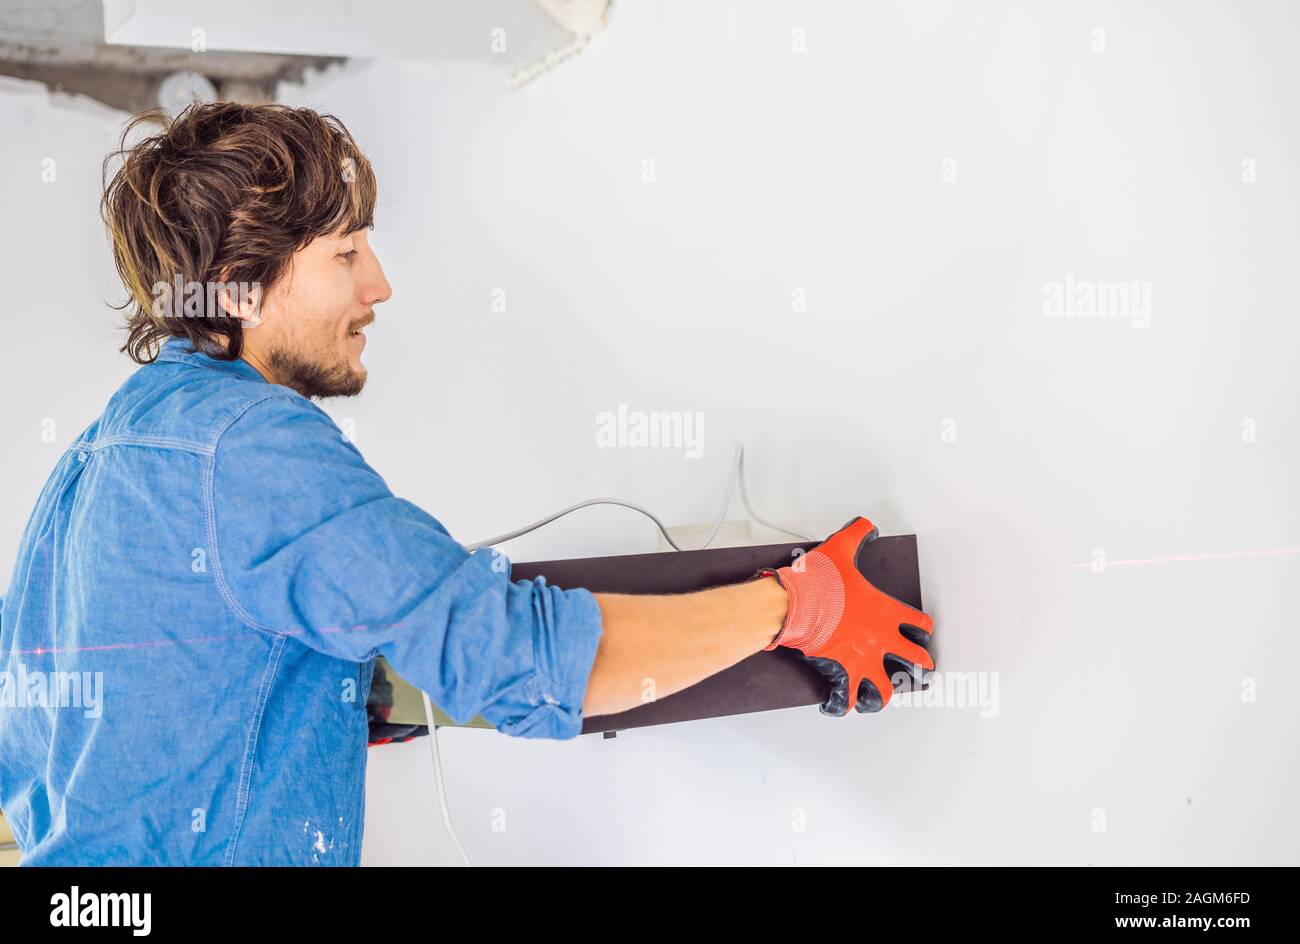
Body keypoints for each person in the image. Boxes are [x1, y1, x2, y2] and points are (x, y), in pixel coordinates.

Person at [0, 103, 933, 865]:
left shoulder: (92, 461)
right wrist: (798, 606)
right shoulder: (248, 447)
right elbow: (525, 662)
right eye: (344, 254)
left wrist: (312, 699)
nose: (380, 285)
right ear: (242, 287)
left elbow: (40, 741)